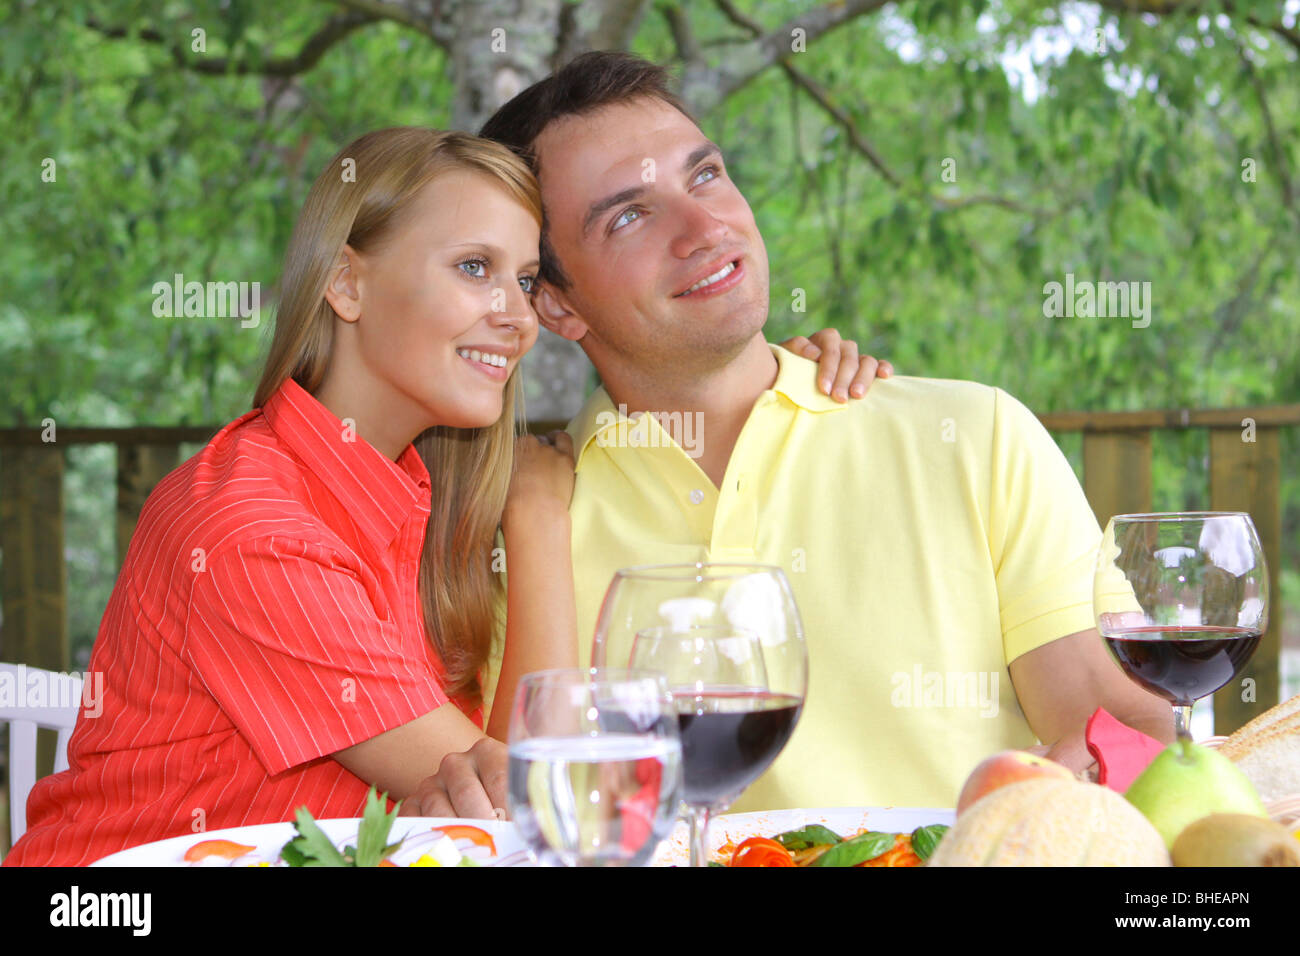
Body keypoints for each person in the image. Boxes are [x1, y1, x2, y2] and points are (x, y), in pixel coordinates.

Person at [4, 126, 878, 865]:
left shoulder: (409, 489)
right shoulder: (253, 530)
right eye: (473, 267)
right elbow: (544, 807)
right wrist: (535, 520)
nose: (518, 315)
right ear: (345, 284)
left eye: (527, 280)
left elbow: (482, 783)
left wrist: (761, 379)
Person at [405, 51, 1174, 816]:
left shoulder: (977, 437)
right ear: (558, 308)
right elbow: (517, 816)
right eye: (630, 216)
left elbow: (1124, 725)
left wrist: (1071, 796)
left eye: (705, 175)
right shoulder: (507, 523)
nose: (705, 227)